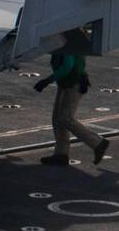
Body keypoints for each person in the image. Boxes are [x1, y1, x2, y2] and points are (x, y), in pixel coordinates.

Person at [34, 28, 109, 166]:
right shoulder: (70, 34)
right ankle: (61, 154)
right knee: (57, 118)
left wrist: (47, 81)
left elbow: (67, 66)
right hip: (67, 82)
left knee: (65, 118)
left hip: (74, 84)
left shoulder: (67, 38)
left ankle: (98, 143)